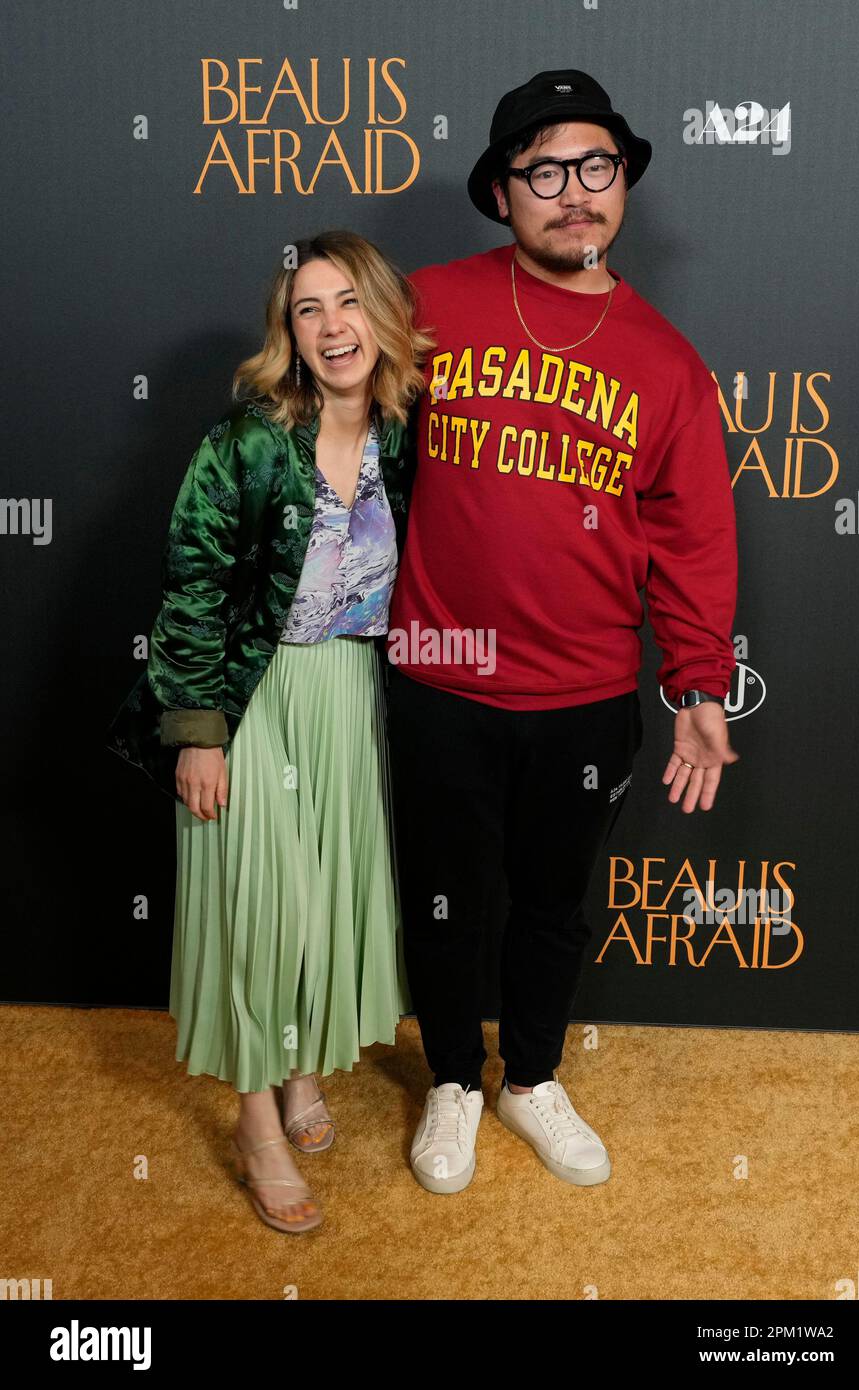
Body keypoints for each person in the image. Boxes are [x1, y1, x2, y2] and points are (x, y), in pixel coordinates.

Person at [382, 69, 740, 1193]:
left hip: (583, 688)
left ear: (622, 181)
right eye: (542, 171)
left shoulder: (666, 364)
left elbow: (690, 541)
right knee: (441, 893)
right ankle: (448, 1075)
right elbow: (324, 433)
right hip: (438, 671)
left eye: (594, 166)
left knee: (548, 903)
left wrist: (696, 684)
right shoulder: (423, 303)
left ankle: (529, 1077)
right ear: (500, 192)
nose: (571, 192)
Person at [106, 230, 432, 1233]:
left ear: (381, 317)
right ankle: (255, 1120)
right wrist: (197, 732)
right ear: (286, 334)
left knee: (321, 896)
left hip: (345, 691)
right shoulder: (246, 441)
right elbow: (193, 589)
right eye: (307, 309)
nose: (332, 327)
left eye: (348, 304)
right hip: (250, 698)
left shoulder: (403, 434)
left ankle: (298, 1070)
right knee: (253, 906)